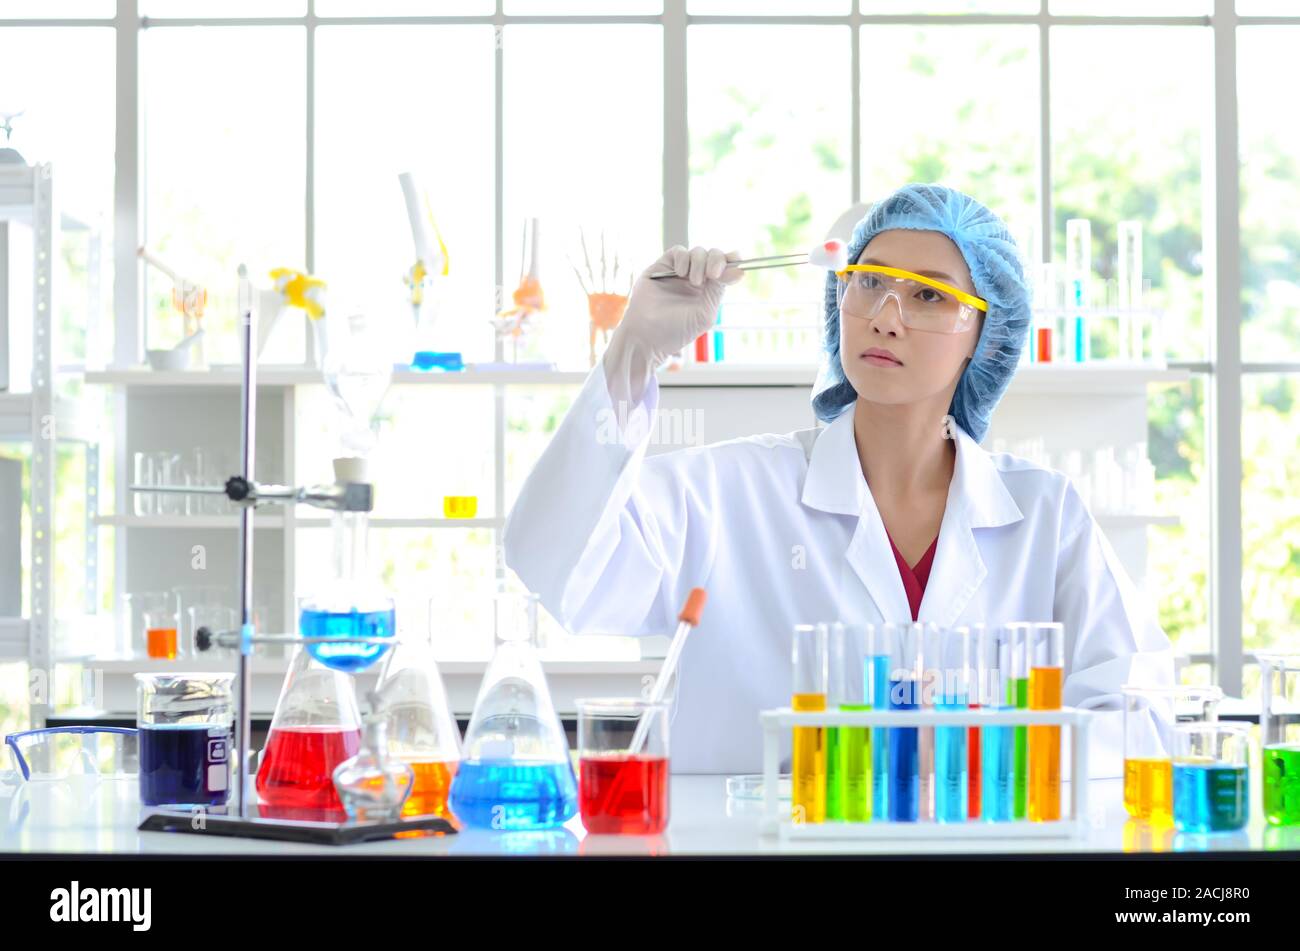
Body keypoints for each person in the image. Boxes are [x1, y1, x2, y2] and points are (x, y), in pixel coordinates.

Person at [504, 183, 1172, 775]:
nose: (887, 313)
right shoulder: (727, 492)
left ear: (984, 333)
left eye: (929, 295)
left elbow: (1144, 715)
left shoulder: (1045, 516)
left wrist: (978, 752)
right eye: (870, 281)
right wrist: (632, 350)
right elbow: (559, 566)